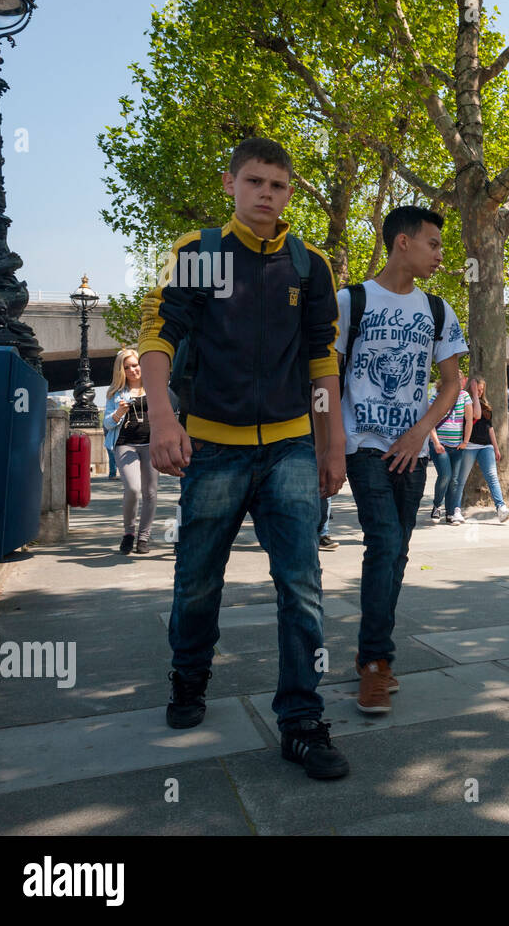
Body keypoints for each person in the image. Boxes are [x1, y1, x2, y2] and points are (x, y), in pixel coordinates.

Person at [140, 137, 349, 779]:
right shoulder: (200, 252)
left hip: (289, 445)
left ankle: (302, 720)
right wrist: (163, 418)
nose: (267, 193)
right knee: (198, 578)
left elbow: (321, 360)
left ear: (290, 193)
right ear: (230, 183)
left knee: (302, 585)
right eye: (254, 181)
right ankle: (190, 675)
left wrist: (330, 441)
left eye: (279, 185)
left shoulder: (309, 265)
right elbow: (159, 334)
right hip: (210, 445)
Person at [337, 205, 468, 715]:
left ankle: (374, 657)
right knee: (385, 542)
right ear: (403, 243)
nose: (440, 254)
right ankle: (374, 663)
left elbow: (452, 383)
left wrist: (420, 433)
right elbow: (327, 375)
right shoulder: (351, 301)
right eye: (433, 243)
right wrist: (330, 444)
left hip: (411, 449)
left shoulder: (438, 310)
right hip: (365, 446)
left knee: (396, 553)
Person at [103, 347, 158, 554]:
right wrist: (119, 412)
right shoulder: (115, 393)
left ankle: (144, 537)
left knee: (150, 492)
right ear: (122, 371)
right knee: (133, 489)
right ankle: (129, 533)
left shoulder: (155, 387)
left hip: (151, 443)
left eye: (135, 365)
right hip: (125, 445)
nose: (133, 370)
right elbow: (108, 424)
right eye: (128, 367)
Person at [451, 377, 509, 522]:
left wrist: (496, 448)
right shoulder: (466, 401)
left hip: (486, 446)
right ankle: (455, 510)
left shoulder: (485, 404)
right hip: (469, 445)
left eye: (481, 389)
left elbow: (490, 428)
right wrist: (473, 394)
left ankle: (501, 508)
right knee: (461, 479)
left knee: (492, 477)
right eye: (477, 389)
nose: (480, 391)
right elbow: (476, 414)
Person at [428, 380, 471, 521]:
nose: (458, 382)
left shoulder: (464, 396)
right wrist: (436, 442)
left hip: (457, 446)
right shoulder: (437, 397)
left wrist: (465, 441)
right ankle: (437, 505)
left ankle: (450, 513)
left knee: (454, 480)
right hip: (440, 445)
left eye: (460, 380)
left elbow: (469, 420)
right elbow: (429, 420)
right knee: (445, 475)